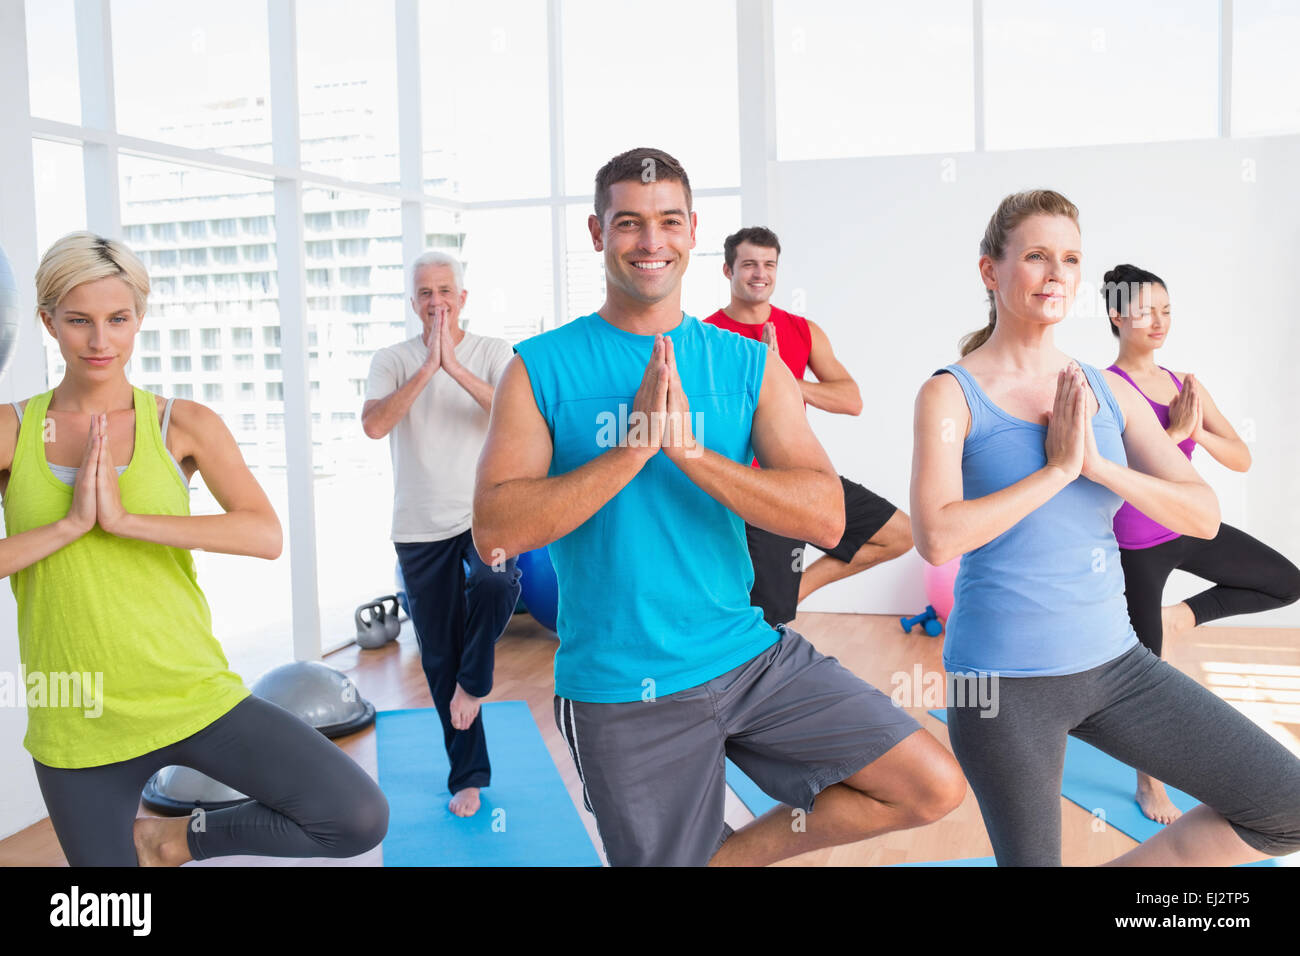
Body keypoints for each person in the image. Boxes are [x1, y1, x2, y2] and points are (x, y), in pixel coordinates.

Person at [473, 147, 965, 867]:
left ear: (693, 230)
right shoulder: (539, 366)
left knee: (928, 784)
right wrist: (633, 451)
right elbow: (495, 532)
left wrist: (693, 455)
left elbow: (825, 515)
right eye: (629, 223)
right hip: (621, 686)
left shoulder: (747, 363)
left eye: (669, 221)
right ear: (596, 232)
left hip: (749, 656)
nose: (651, 242)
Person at [910, 190, 1300, 866]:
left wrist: (1098, 467)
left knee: (1285, 807)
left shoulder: (1106, 390)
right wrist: (1056, 472)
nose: (1057, 273)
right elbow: (938, 537)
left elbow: (1202, 514)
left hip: (1117, 669)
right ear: (990, 273)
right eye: (1036, 256)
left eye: (1069, 258)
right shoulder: (950, 393)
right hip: (1003, 686)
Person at [3, 232, 388, 866]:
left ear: (139, 319)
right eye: (79, 321)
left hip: (189, 690)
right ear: (47, 321)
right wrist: (69, 527)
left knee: (354, 815)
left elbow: (262, 534)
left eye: (117, 319)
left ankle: (173, 839)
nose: (101, 342)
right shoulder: (12, 430)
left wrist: (127, 521)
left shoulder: (181, 424)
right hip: (76, 712)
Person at [1101, 263, 1300, 824]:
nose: (1159, 321)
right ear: (1117, 316)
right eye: (1146, 310)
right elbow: (1116, 470)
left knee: (1286, 582)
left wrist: (1196, 431)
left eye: (1166, 309)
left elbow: (1240, 456)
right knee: (1148, 672)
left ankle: (1182, 617)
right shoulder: (1108, 387)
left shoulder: (1185, 383)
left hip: (1188, 524)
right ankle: (1148, 784)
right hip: (1137, 541)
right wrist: (1174, 435)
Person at [362, 251, 520, 818]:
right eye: (425, 293)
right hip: (418, 524)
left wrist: (452, 365)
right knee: (438, 658)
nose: (436, 302)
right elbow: (375, 424)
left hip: (484, 514)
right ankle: (468, 776)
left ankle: (474, 682)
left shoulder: (494, 353)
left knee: (499, 585)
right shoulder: (392, 360)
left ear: (462, 298)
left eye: (445, 291)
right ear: (413, 302)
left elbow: (512, 413)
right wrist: (427, 367)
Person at [704, 227, 912, 626]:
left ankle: (795, 590)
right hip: (746, 488)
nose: (759, 273)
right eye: (748, 264)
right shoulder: (705, 335)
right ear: (728, 270)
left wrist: (783, 377)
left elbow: (850, 399)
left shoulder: (803, 331)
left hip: (800, 479)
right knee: (767, 621)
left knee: (899, 533)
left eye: (769, 264)